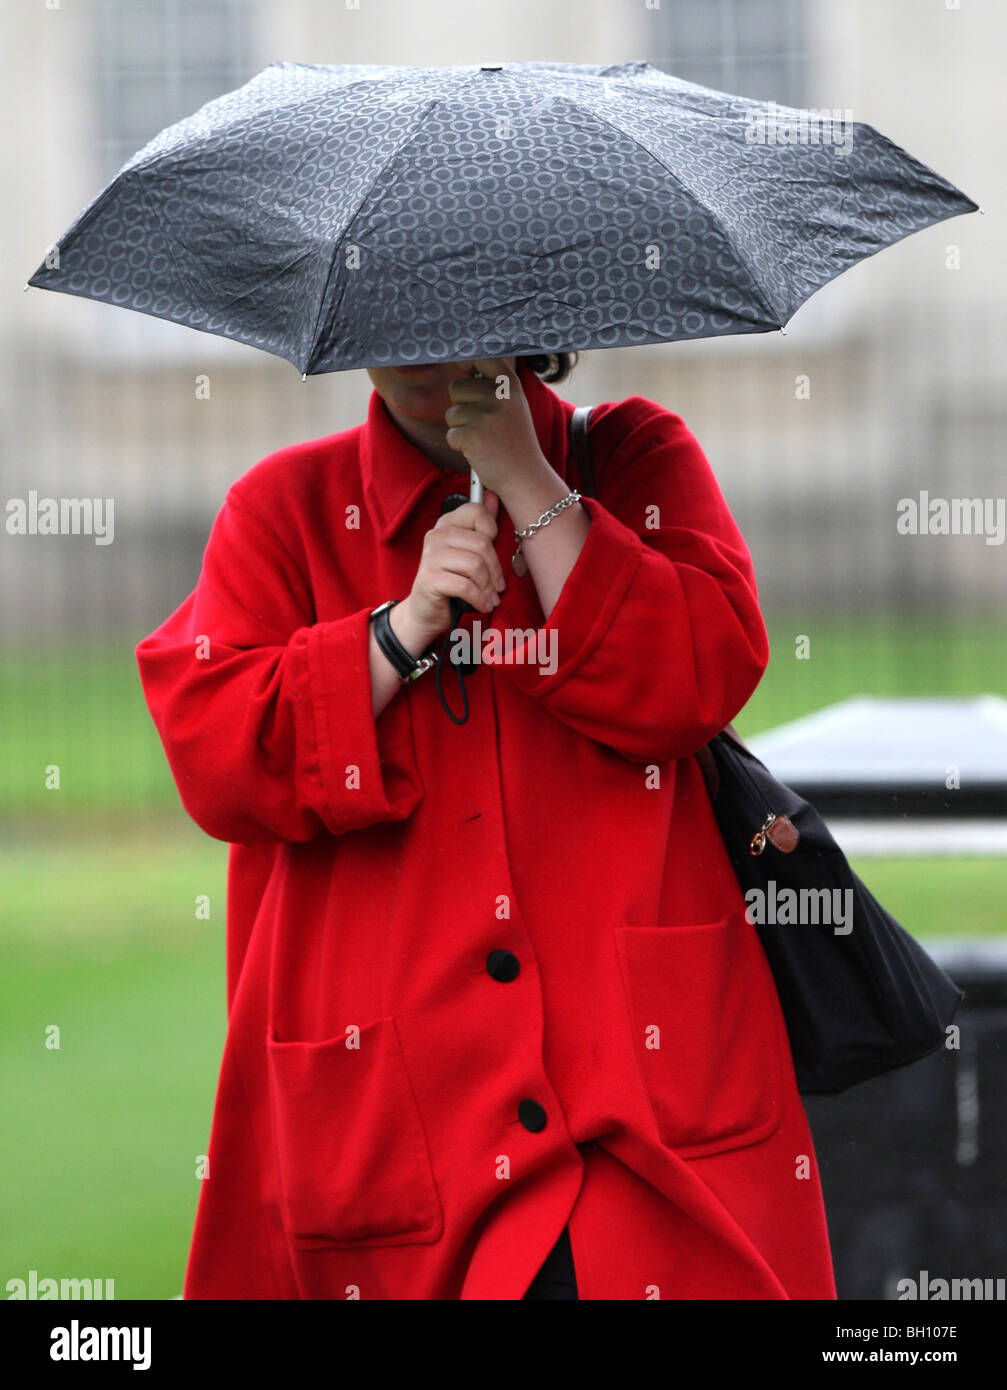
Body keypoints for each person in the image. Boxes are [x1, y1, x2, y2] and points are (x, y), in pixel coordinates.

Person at [135, 353, 836, 1300]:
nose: (421, 345)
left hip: (638, 1094)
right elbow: (220, 763)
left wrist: (534, 489)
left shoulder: (636, 456)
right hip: (403, 1115)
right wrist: (396, 631)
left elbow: (694, 680)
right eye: (393, 312)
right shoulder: (283, 507)